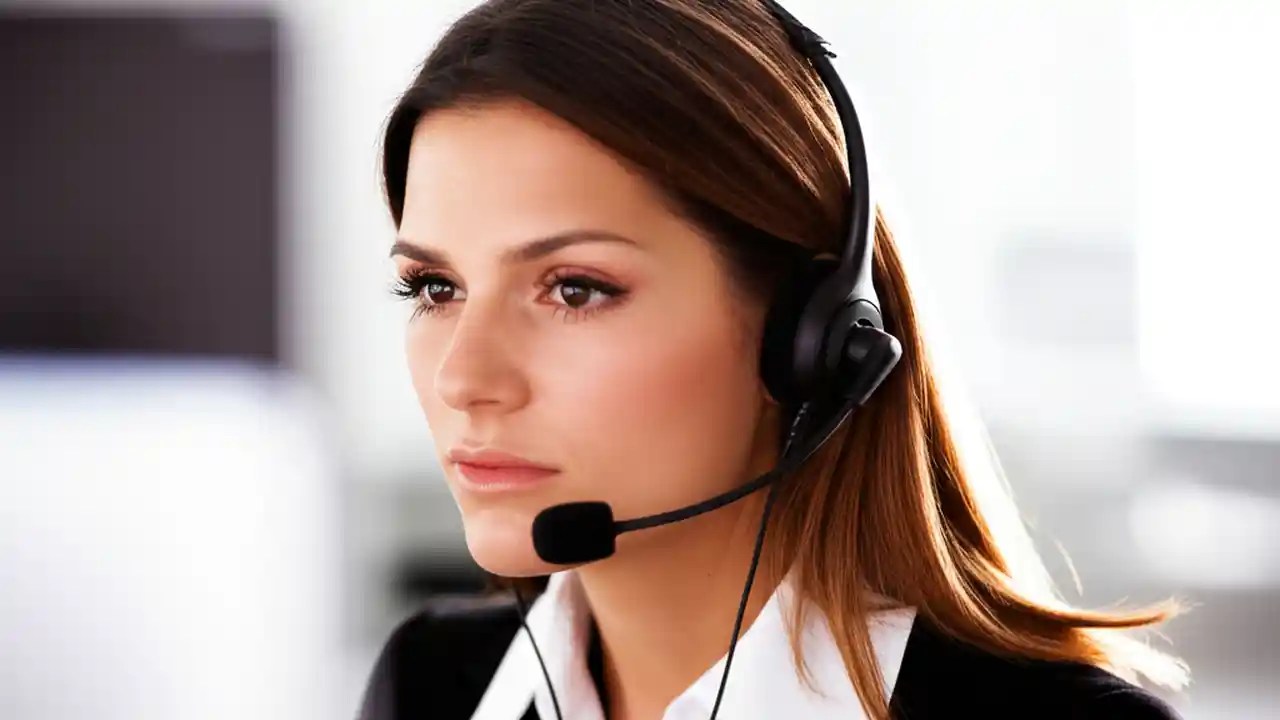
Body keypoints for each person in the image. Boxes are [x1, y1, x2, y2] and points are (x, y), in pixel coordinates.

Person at [358, 1, 1189, 718]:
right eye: (434, 287)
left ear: (811, 337)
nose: (463, 380)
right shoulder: (432, 686)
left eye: (575, 290)